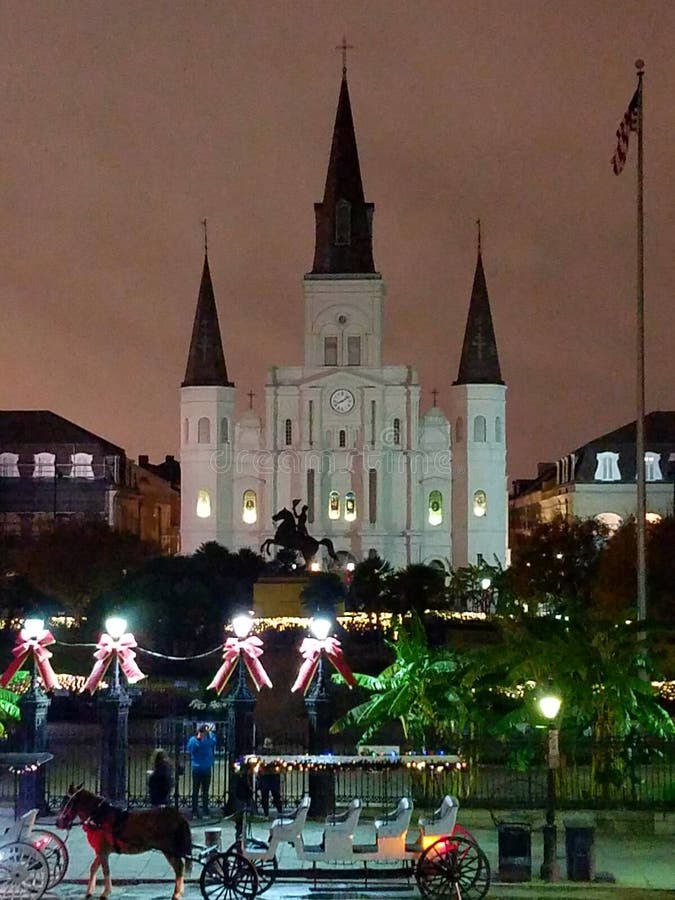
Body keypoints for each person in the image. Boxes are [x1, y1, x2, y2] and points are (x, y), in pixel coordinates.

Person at [187, 723, 216, 819]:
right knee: (204, 791)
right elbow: (214, 740)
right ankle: (205, 811)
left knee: (196, 790)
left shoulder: (193, 740)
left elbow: (190, 750)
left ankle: (195, 811)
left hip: (196, 768)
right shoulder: (208, 740)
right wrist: (210, 732)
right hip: (205, 768)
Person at [257, 737, 283, 817]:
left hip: (272, 776)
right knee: (265, 796)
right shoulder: (261, 751)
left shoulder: (275, 752)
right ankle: (267, 813)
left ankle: (279, 811)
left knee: (275, 795)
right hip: (266, 776)